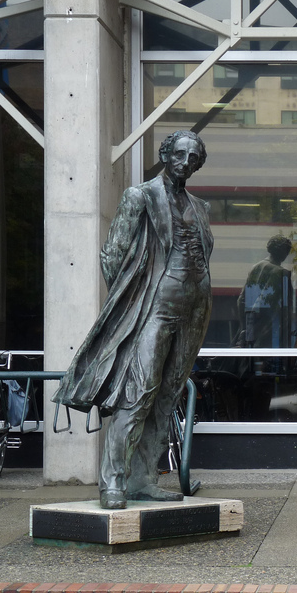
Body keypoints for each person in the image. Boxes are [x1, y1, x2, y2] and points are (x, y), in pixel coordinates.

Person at [53, 130, 213, 510]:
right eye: (179, 154)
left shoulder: (201, 207)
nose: (185, 162)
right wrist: (131, 301)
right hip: (154, 307)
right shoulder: (140, 196)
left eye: (193, 157)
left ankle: (143, 479)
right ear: (165, 154)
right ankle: (113, 481)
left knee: (167, 396)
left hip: (195, 309)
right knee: (139, 392)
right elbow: (112, 254)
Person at [236, 235, 296, 348]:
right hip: (268, 329)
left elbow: (241, 300)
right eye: (287, 250)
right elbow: (266, 304)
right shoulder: (280, 273)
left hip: (250, 327)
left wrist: (244, 328)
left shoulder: (256, 267)